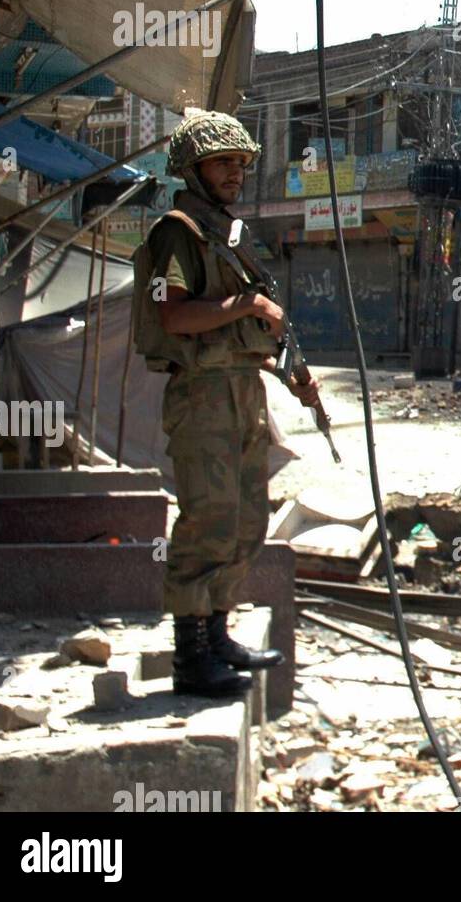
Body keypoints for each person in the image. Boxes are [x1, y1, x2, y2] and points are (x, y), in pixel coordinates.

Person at [134, 112, 320, 697]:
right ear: (193, 169)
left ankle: (217, 633)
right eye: (222, 163)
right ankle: (191, 655)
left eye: (240, 163)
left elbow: (260, 327)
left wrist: (297, 376)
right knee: (208, 517)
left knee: (246, 519)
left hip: (243, 390)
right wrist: (246, 306)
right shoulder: (178, 231)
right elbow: (175, 314)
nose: (235, 173)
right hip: (201, 397)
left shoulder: (230, 235)